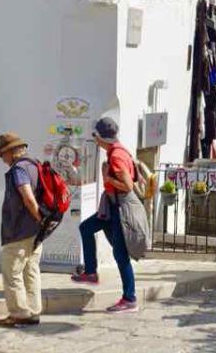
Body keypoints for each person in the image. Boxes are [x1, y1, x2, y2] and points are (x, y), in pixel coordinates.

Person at [72, 117, 138, 312]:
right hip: (109, 207)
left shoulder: (116, 156)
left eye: (95, 136)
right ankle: (91, 272)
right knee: (86, 228)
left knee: (120, 253)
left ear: (101, 137)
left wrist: (107, 177)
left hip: (118, 209)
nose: (95, 140)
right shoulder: (117, 150)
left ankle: (129, 298)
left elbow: (127, 185)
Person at [0, 132, 43, 327]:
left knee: (12, 272)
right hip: (35, 232)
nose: (3, 160)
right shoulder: (35, 164)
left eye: (3, 155)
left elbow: (28, 197)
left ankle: (19, 313)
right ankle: (33, 310)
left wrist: (37, 217)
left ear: (11, 151)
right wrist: (41, 223)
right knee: (30, 270)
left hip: (19, 230)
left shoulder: (19, 169)